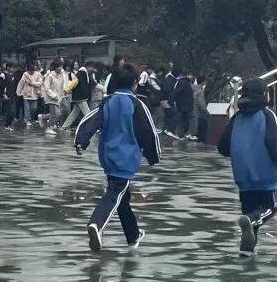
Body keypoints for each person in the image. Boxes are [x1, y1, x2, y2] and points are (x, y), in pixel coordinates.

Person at [73, 65, 160, 252]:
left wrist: (81, 143)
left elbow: (89, 122)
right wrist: (153, 156)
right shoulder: (137, 104)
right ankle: (96, 224)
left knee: (123, 198)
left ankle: (133, 235)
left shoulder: (107, 102)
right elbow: (148, 132)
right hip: (126, 160)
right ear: (135, 84)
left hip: (108, 157)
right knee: (115, 193)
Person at [217, 78, 277, 256]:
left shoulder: (237, 117)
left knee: (249, 215)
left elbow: (223, 147)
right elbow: (275, 145)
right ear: (264, 94)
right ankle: (251, 223)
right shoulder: (267, 115)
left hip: (242, 177)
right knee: (268, 209)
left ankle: (247, 252)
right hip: (263, 175)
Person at [62, 60, 96, 133]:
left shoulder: (85, 73)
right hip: (81, 97)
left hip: (79, 97)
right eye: (93, 67)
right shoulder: (82, 73)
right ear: (88, 67)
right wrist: (67, 89)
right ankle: (92, 128)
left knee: (74, 114)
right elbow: (74, 81)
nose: (93, 69)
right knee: (88, 114)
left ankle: (64, 127)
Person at [41, 60, 67, 131]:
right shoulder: (50, 75)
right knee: (55, 113)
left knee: (60, 113)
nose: (60, 68)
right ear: (55, 68)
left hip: (60, 96)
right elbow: (47, 88)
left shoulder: (63, 74)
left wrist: (66, 91)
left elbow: (65, 83)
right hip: (51, 98)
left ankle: (43, 117)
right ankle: (49, 127)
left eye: (61, 66)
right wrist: (54, 95)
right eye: (59, 66)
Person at [18, 61, 43, 126]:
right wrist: (19, 92)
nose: (31, 72)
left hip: (35, 94)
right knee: (27, 109)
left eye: (32, 71)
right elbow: (21, 83)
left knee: (34, 108)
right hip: (26, 95)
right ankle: (27, 120)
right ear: (28, 70)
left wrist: (31, 83)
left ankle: (31, 118)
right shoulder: (25, 75)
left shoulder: (38, 74)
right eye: (30, 71)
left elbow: (40, 83)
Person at [173, 71, 196, 139]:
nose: (192, 77)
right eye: (191, 75)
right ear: (188, 75)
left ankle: (180, 134)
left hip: (184, 104)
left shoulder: (184, 82)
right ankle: (179, 133)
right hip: (183, 104)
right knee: (183, 119)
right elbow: (177, 92)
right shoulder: (183, 82)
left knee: (183, 119)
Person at [193, 74, 210, 143]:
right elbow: (201, 105)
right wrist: (208, 114)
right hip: (197, 114)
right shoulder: (200, 91)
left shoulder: (191, 88)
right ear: (203, 82)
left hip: (189, 113)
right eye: (206, 81)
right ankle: (202, 143)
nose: (206, 82)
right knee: (205, 124)